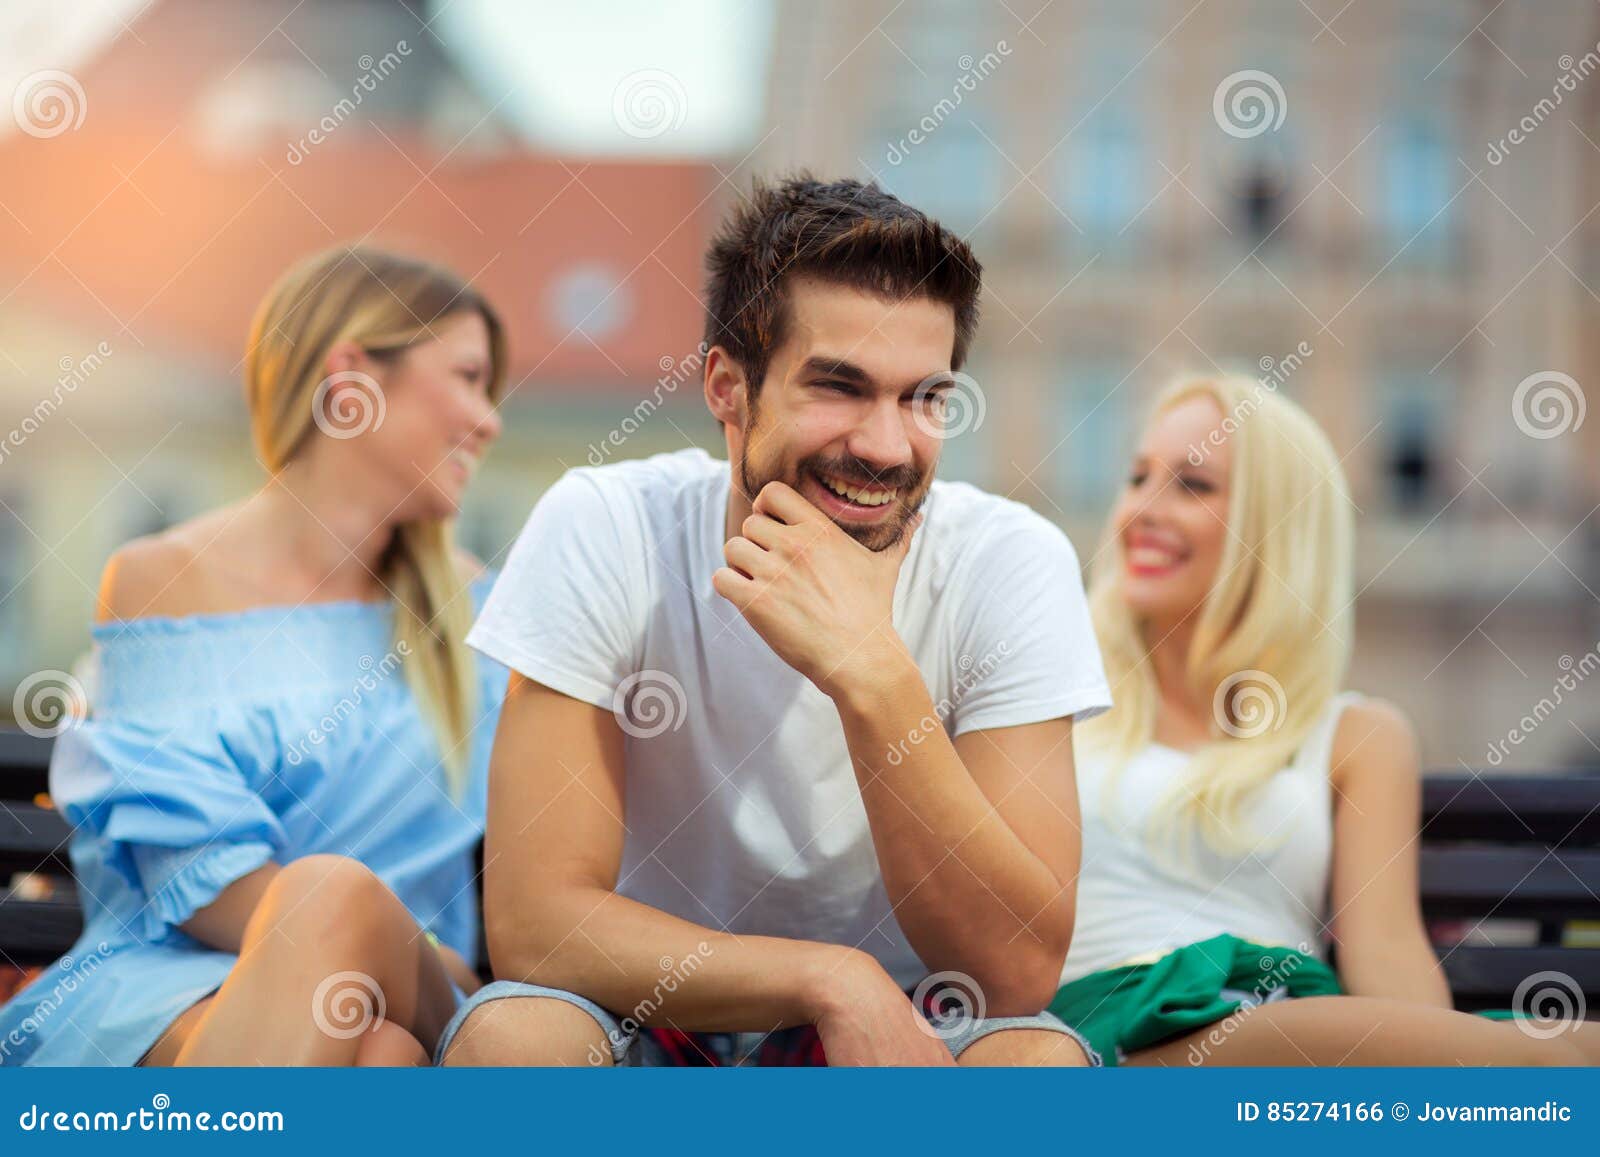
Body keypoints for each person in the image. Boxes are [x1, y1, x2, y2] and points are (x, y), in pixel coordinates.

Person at [438, 175, 1113, 1067]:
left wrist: (871, 671)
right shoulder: (607, 523)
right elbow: (537, 925)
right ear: (728, 386)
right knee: (516, 1037)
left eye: (924, 398)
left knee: (1034, 1064)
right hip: (649, 1017)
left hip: (908, 1033)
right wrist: (828, 978)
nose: (886, 446)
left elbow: (1016, 966)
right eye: (839, 387)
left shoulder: (1011, 559)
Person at [0, 246, 509, 1067]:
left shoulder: (477, 610)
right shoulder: (163, 579)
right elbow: (194, 874)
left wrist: (368, 936)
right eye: (469, 378)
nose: (488, 420)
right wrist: (336, 933)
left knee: (339, 917)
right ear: (352, 375)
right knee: (376, 1051)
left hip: (416, 979)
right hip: (168, 988)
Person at [1047, 374, 1600, 1066]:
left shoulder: (1357, 734)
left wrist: (1433, 1071)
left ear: (1275, 525)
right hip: (1121, 1035)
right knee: (1548, 1061)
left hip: (1294, 1031)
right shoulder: (1056, 698)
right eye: (1137, 478)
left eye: (1192, 485)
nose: (1142, 510)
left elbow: (1385, 950)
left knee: (1568, 1050)